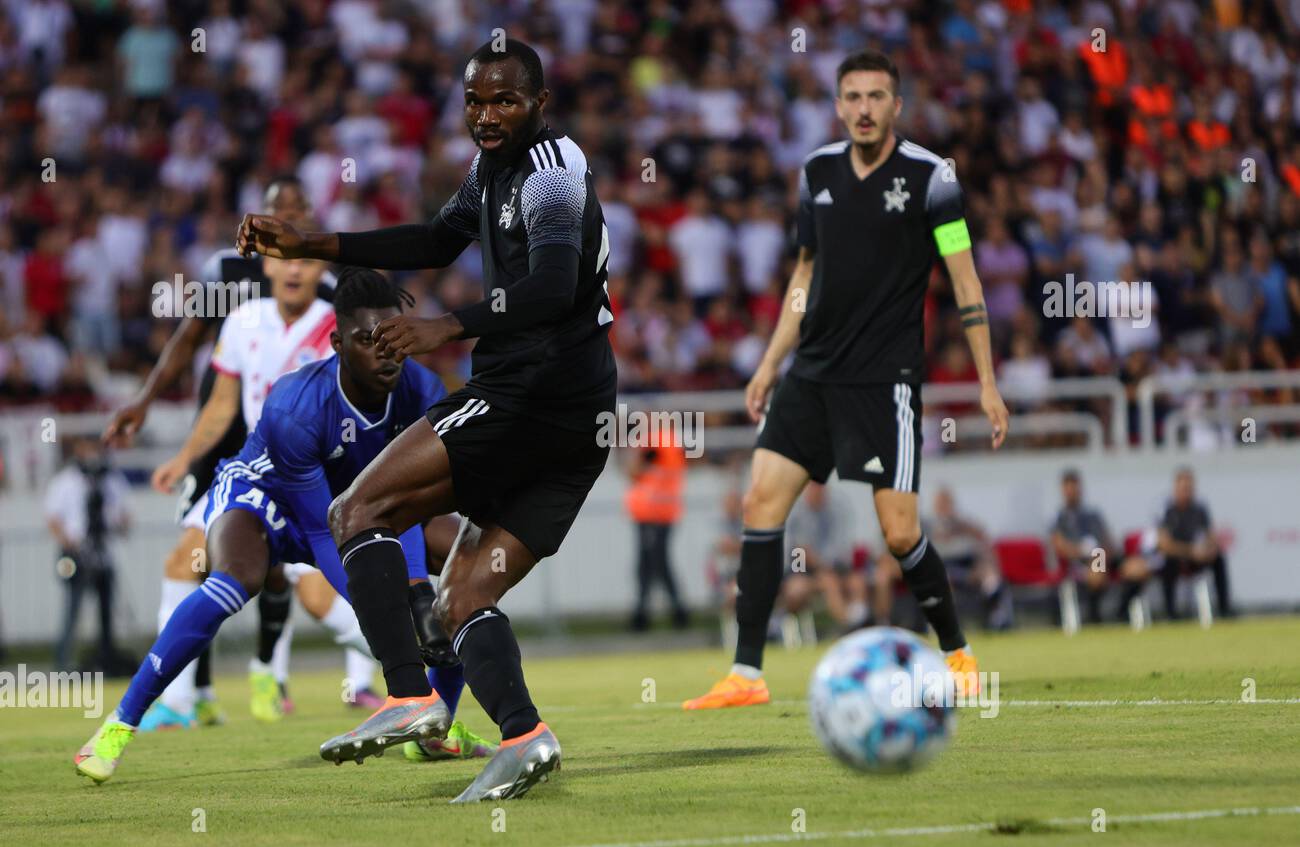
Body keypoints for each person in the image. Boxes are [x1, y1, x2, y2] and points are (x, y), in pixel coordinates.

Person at [234, 39, 614, 802]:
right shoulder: (491, 170)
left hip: (529, 396)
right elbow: (437, 240)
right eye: (474, 101)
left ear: (539, 104)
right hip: (578, 422)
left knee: (357, 508)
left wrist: (452, 325)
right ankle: (524, 734)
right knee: (460, 598)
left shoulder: (551, 174)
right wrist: (317, 244)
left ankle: (408, 697)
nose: (486, 115)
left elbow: (551, 284)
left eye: (504, 100)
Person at [683, 49, 1009, 710]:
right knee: (760, 502)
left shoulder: (931, 177)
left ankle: (958, 652)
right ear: (838, 105)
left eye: (877, 97)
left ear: (897, 105)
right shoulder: (815, 171)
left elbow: (965, 281)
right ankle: (747, 673)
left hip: (883, 378)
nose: (864, 108)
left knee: (898, 533)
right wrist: (773, 361)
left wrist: (986, 380)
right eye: (853, 97)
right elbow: (804, 276)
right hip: (812, 373)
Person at [74, 268, 493, 783]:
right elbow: (324, 532)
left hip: (353, 508)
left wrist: (420, 593)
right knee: (236, 581)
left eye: (395, 338)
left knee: (465, 568)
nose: (387, 352)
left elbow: (399, 504)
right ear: (337, 343)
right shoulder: (296, 406)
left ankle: (434, 730)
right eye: (368, 340)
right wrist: (397, 603)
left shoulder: (420, 390)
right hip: (267, 500)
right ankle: (120, 723)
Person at [100, 177, 356, 726]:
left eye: (297, 217)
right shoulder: (233, 293)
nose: (292, 264)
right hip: (233, 458)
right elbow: (196, 355)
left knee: (300, 582)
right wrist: (154, 415)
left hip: (305, 464)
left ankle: (389, 673)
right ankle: (191, 696)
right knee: (195, 562)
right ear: (261, 236)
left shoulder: (335, 302)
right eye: (276, 214)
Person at [44, 436, 132, 672]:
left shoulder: (111, 479)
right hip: (75, 553)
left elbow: (124, 514)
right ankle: (63, 661)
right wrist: (69, 542)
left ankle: (107, 658)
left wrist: (119, 526)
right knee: (72, 607)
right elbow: (53, 518)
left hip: (104, 551)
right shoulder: (65, 481)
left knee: (107, 609)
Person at [875, 486, 1010, 630]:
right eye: (941, 503)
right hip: (938, 569)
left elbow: (983, 540)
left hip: (963, 565)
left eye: (947, 502)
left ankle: (993, 598)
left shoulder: (963, 524)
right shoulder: (923, 526)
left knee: (986, 566)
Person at [624, 419, 688, 631]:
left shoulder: (653, 440)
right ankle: (674, 610)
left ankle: (647, 613)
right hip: (659, 511)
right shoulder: (668, 440)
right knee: (657, 562)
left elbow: (634, 470)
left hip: (653, 511)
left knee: (651, 563)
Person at [782, 481, 868, 633]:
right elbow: (797, 557)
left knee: (857, 582)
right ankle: (850, 628)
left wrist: (823, 563)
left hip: (834, 568)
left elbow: (842, 549)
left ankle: (862, 620)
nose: (817, 493)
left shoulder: (836, 512)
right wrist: (817, 566)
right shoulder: (796, 516)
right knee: (829, 583)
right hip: (805, 572)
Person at [1156, 468, 1233, 619]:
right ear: (1176, 489)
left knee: (1219, 559)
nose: (1187, 492)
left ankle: (1224, 609)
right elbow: (1165, 545)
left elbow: (1211, 536)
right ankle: (1170, 612)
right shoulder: (1167, 511)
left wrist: (1208, 550)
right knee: (1167, 563)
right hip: (1178, 556)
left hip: (1196, 556)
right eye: (1183, 489)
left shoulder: (1199, 510)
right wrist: (1191, 551)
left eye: (1189, 488)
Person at [1049, 469, 1115, 624]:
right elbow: (1059, 546)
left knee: (1102, 567)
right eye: (1068, 488)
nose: (1072, 492)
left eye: (1075, 488)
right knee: (1096, 572)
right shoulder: (1060, 518)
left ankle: (1101, 612)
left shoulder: (1093, 515)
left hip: (1099, 560)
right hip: (1074, 564)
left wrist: (1097, 555)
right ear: (1063, 491)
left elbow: (1107, 543)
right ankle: (1094, 615)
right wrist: (1082, 551)